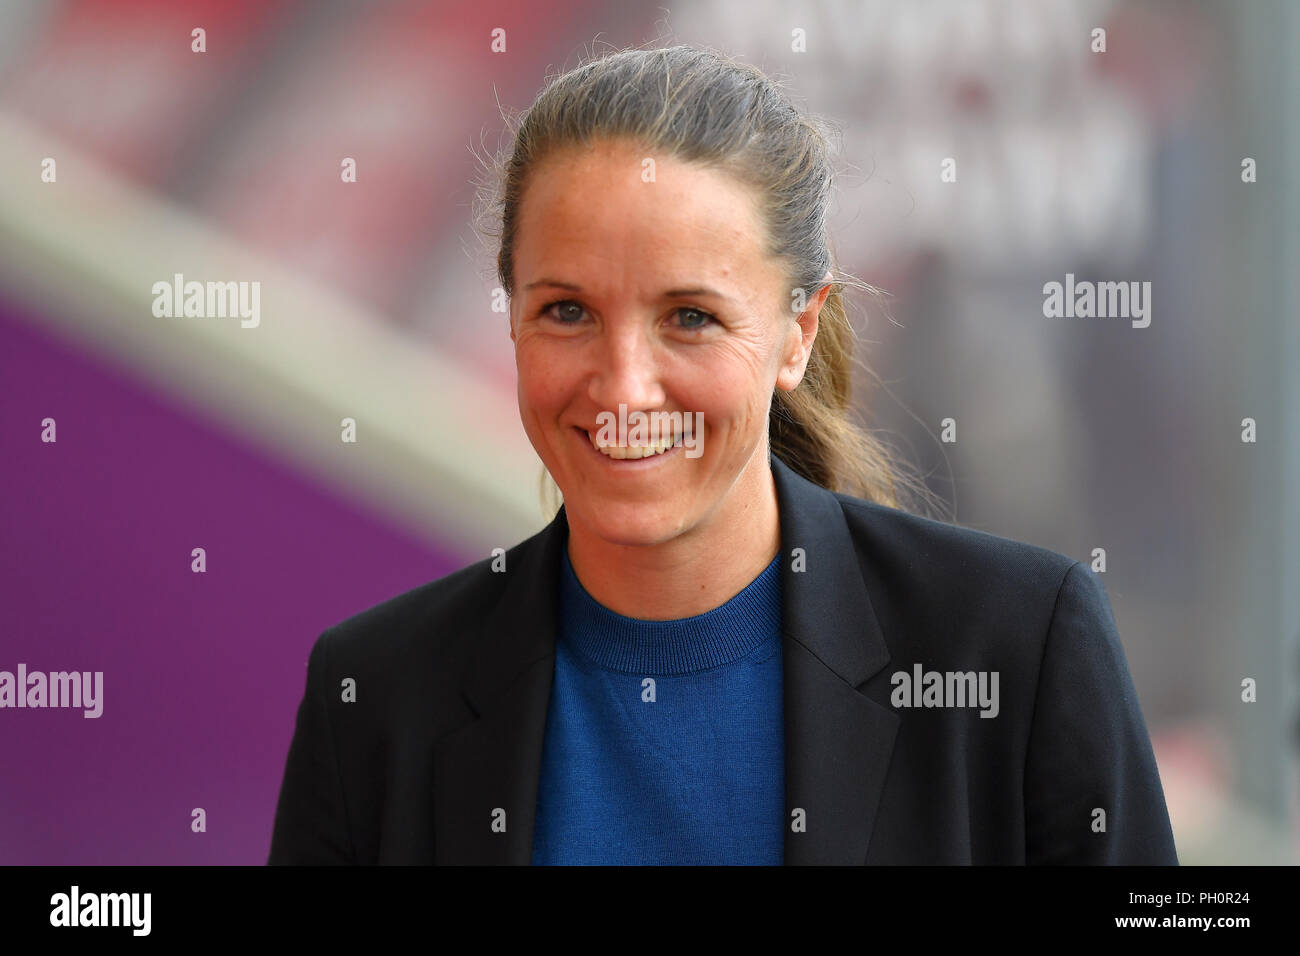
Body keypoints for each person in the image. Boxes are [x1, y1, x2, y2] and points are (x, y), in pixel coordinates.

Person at [267, 43, 1178, 865]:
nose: (625, 388)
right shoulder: (376, 697)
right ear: (511, 317)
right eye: (567, 311)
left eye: (690, 318)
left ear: (797, 333)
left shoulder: (1020, 645)